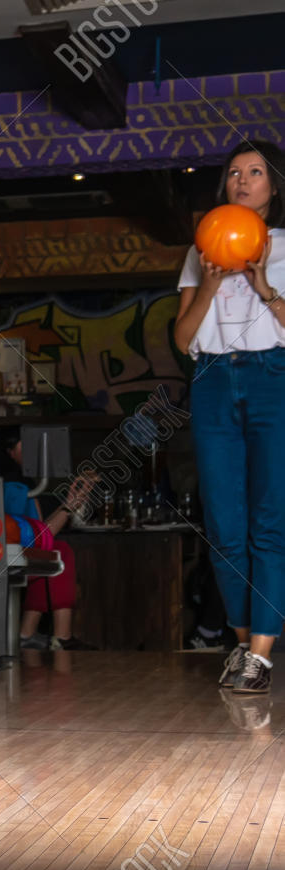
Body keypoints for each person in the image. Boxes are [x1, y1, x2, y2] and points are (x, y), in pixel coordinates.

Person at [174, 140, 285, 696]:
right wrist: (213, 282)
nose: (243, 180)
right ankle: (244, 644)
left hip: (274, 379)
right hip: (213, 379)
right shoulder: (201, 250)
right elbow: (182, 336)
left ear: (274, 185)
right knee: (222, 528)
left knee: (270, 522)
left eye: (256, 172)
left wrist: (264, 286)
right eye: (235, 172)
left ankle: (260, 655)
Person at [0, 429, 93, 651]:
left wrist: (71, 504)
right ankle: (59, 637)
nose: (32, 455)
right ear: (10, 452)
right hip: (1, 553)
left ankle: (29, 633)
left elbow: (39, 534)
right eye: (25, 448)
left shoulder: (29, 485)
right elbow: (36, 537)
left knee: (56, 551)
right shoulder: (14, 484)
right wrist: (70, 505)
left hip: (17, 548)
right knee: (57, 553)